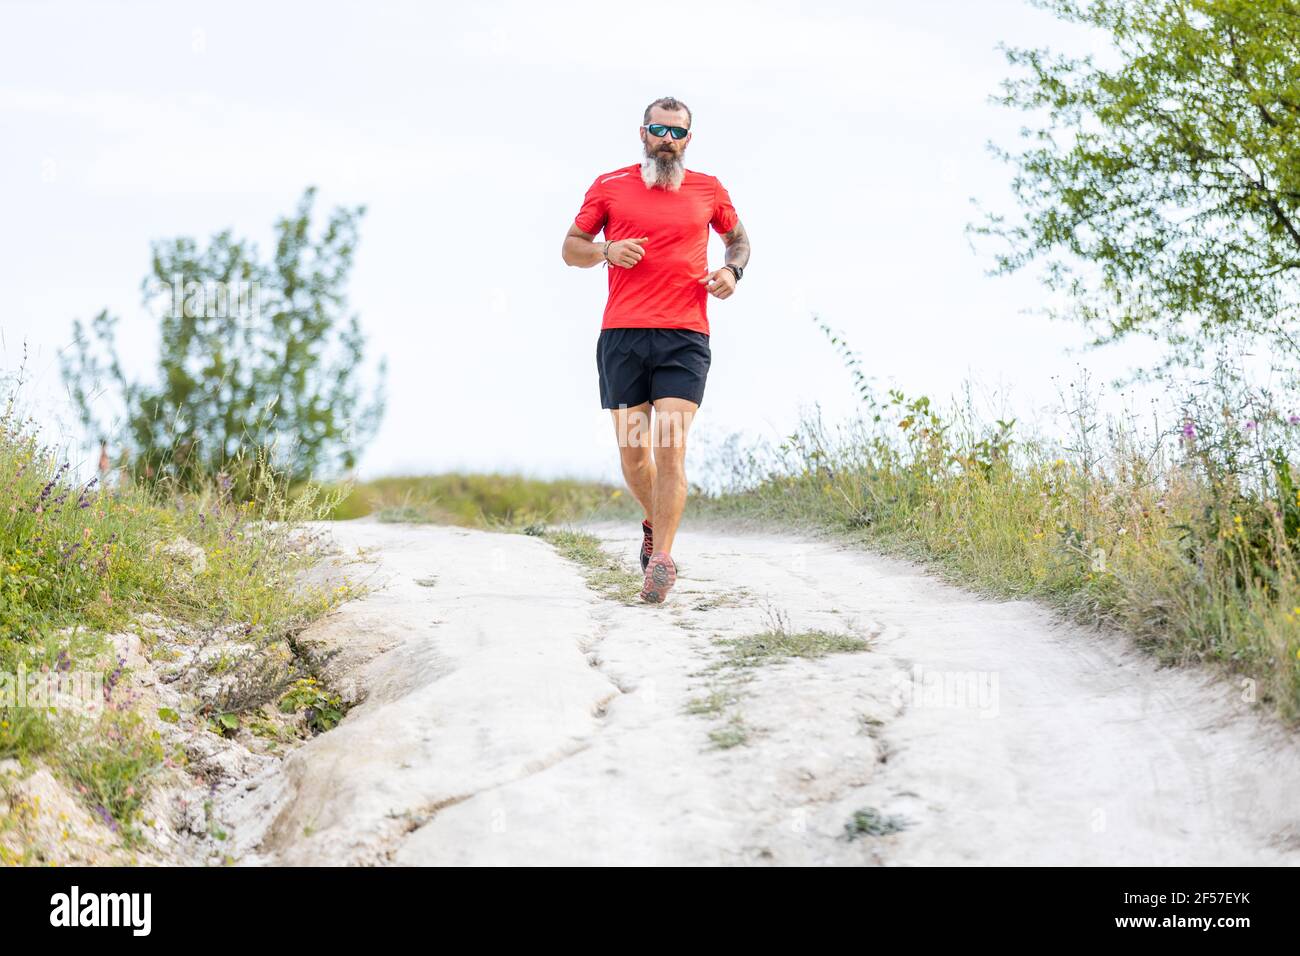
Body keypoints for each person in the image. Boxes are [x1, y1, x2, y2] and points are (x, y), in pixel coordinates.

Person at [562, 96, 751, 603]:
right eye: (658, 131)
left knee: (670, 449)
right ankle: (653, 523)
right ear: (642, 133)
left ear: (689, 139)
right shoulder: (609, 186)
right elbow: (570, 248)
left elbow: (738, 240)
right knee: (633, 458)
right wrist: (605, 250)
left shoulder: (708, 189)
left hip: (684, 337)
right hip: (622, 337)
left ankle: (662, 557)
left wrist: (732, 271)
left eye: (677, 133)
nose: (667, 141)